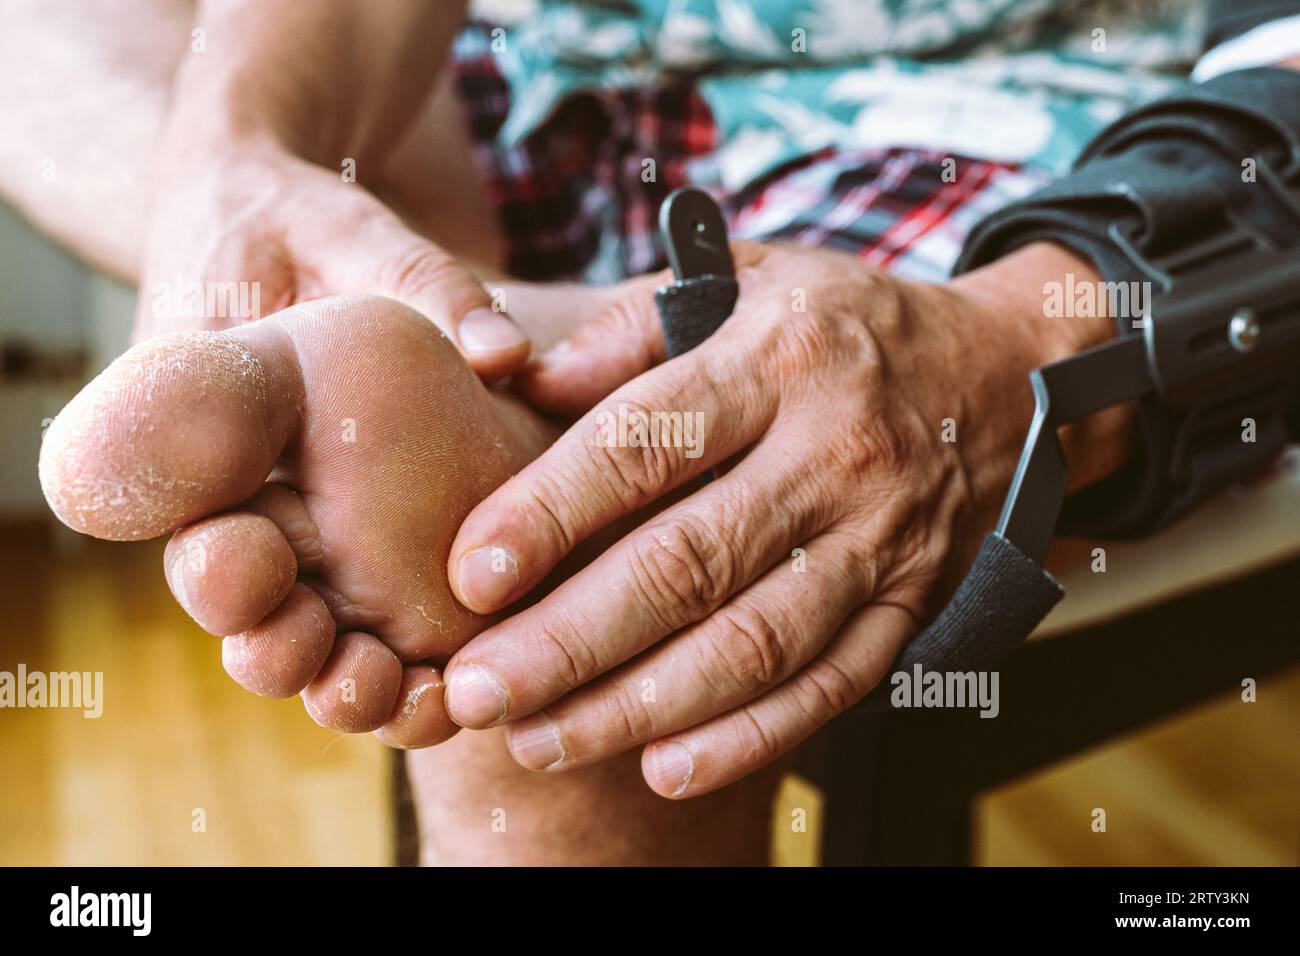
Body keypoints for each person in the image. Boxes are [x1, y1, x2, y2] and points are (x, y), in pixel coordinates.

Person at [15, 0, 1300, 864]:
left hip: (989, 110)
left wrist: (1029, 332)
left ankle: (548, 429)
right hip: (544, 77)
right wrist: (240, 148)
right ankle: (516, 362)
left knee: (595, 568)